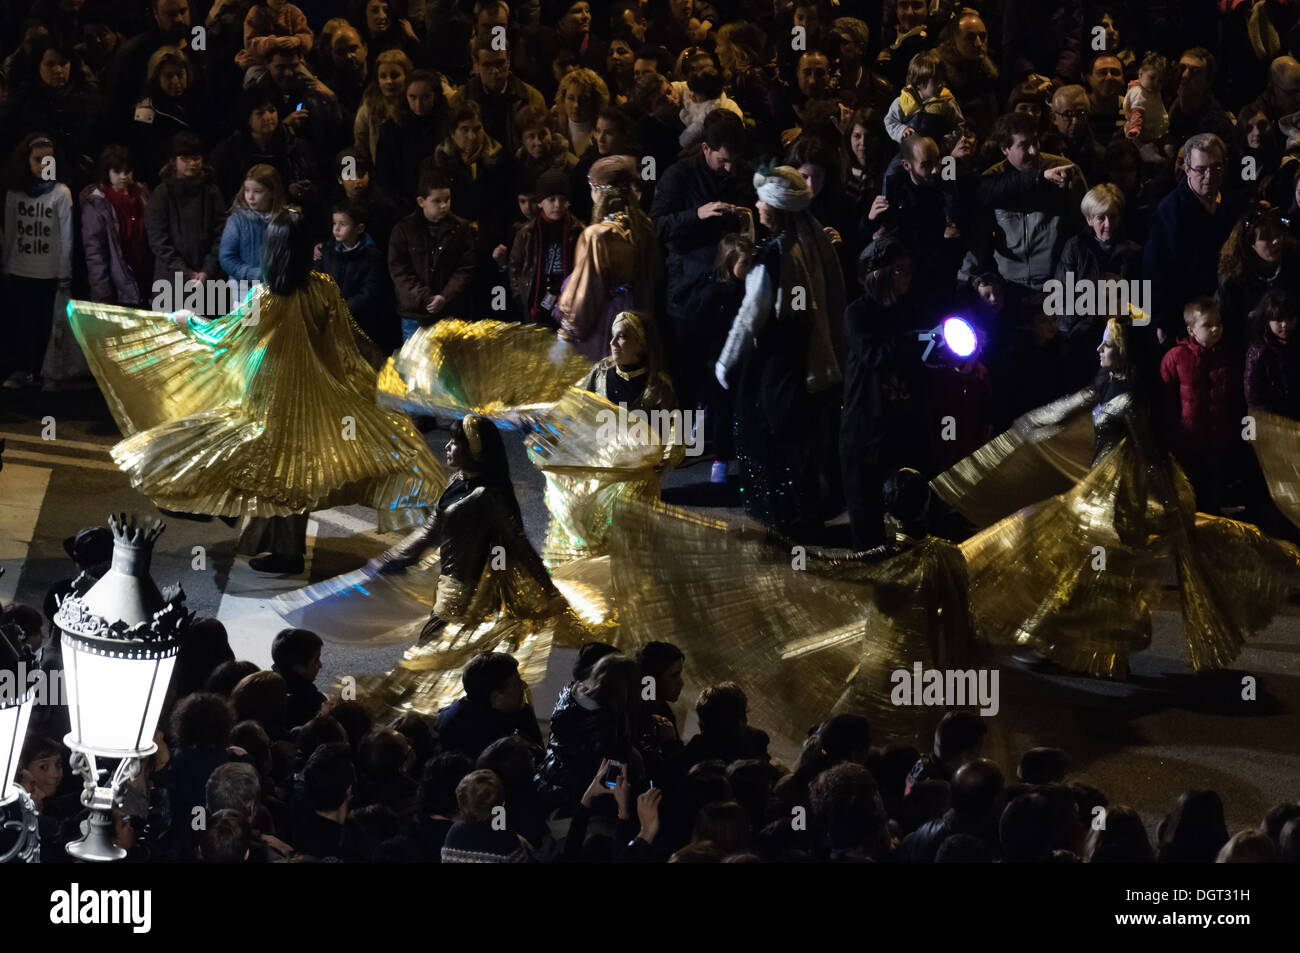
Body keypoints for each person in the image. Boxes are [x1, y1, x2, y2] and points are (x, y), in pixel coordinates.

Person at [69, 207, 446, 573]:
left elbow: (224, 336)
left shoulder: (265, 297)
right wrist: (365, 386)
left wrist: (190, 322)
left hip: (265, 395)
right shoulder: (324, 289)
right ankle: (282, 548)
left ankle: (219, 509)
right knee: (297, 473)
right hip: (311, 395)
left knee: (253, 460)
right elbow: (345, 347)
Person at [933, 314, 1300, 679]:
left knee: (1087, 575)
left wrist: (1172, 504)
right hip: (1091, 497)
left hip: (1119, 505)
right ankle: (1080, 649)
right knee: (1064, 562)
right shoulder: (1104, 385)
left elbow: (1151, 456)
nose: (1099, 348)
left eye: (1107, 344)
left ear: (1124, 352)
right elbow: (1070, 405)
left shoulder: (1132, 401)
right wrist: (1029, 424)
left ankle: (1076, 648)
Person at [715, 165, 845, 539]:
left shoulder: (774, 255)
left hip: (780, 363)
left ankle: (788, 520)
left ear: (777, 207)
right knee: (805, 438)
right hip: (809, 360)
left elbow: (750, 315)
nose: (756, 205)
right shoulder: (811, 241)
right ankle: (810, 510)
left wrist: (727, 360)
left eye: (762, 200)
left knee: (772, 437)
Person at [555, 154, 660, 362]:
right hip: (637, 319)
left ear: (597, 191)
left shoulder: (597, 236)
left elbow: (585, 291)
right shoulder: (643, 228)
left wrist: (567, 332)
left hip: (603, 325)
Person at [1144, 133, 1237, 346]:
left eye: (1216, 168)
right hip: (1185, 316)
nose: (1209, 176)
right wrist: (1161, 318)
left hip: (1223, 312)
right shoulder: (1171, 211)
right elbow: (1155, 268)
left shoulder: (1229, 205)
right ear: (1187, 168)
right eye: (1201, 169)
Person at [2, 133, 73, 391]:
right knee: (23, 324)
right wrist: (6, 266)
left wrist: (65, 272)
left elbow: (66, 236)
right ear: (26, 161)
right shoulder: (15, 193)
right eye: (38, 160)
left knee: (46, 326)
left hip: (49, 272)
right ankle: (23, 370)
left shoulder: (61, 193)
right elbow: (10, 232)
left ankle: (45, 373)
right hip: (20, 268)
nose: (44, 165)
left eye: (49, 160)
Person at [1159, 299, 1243, 515]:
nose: (1216, 329)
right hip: (1186, 444)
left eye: (1219, 323)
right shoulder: (1175, 358)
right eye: (1207, 325)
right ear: (1191, 330)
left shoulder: (1227, 358)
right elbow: (1166, 402)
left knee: (1213, 495)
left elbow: (1233, 399)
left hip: (1217, 442)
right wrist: (1172, 437)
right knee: (1190, 498)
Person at [388, 165, 475, 342]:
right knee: (415, 367)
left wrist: (445, 296)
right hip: (415, 313)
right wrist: (425, 297)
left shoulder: (461, 229)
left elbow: (465, 267)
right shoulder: (404, 230)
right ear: (422, 201)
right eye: (437, 201)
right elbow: (399, 270)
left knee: (449, 367)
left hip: (451, 312)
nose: (444, 205)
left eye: (447, 199)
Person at [145, 132, 226, 312]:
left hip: (208, 279)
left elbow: (222, 233)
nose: (192, 163)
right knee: (171, 334)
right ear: (174, 160)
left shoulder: (212, 191)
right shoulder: (161, 193)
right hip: (170, 280)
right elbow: (158, 240)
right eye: (185, 158)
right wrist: (185, 272)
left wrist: (207, 269)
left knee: (207, 335)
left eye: (196, 157)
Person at [316, 200, 393, 356]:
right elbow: (320, 280)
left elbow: (370, 291)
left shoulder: (372, 256)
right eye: (334, 223)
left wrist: (343, 307)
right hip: (331, 320)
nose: (336, 229)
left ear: (359, 228)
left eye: (342, 224)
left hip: (361, 324)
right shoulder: (327, 251)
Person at [507, 166, 582, 325]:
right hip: (536, 300)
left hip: (567, 299)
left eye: (563, 200)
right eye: (551, 199)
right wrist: (521, 295)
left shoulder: (577, 231)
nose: (557, 205)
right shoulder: (527, 233)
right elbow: (515, 266)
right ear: (540, 202)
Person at [435, 652, 544, 761]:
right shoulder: (501, 742)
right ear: (496, 698)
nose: (524, 685)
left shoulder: (447, 715)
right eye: (517, 683)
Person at [80, 144, 152, 307]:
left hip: (144, 281)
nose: (123, 177)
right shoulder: (97, 203)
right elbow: (95, 254)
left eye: (127, 171)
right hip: (118, 288)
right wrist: (103, 297)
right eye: (117, 172)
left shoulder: (142, 195)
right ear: (107, 172)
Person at [219, 163, 287, 283]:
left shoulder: (284, 221)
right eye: (247, 190)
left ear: (272, 192)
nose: (250, 197)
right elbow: (226, 258)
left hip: (277, 290)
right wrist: (253, 274)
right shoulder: (237, 221)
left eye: (257, 191)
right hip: (243, 292)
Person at [884, 50, 963, 145]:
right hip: (909, 155)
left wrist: (948, 141)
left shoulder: (947, 103)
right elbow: (890, 121)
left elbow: (958, 125)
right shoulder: (901, 102)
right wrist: (902, 130)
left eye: (942, 79)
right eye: (936, 81)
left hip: (937, 153)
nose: (941, 84)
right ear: (919, 82)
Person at [271, 627, 326, 729]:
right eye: (316, 660)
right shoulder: (310, 703)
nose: (320, 665)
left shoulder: (269, 688)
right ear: (298, 668)